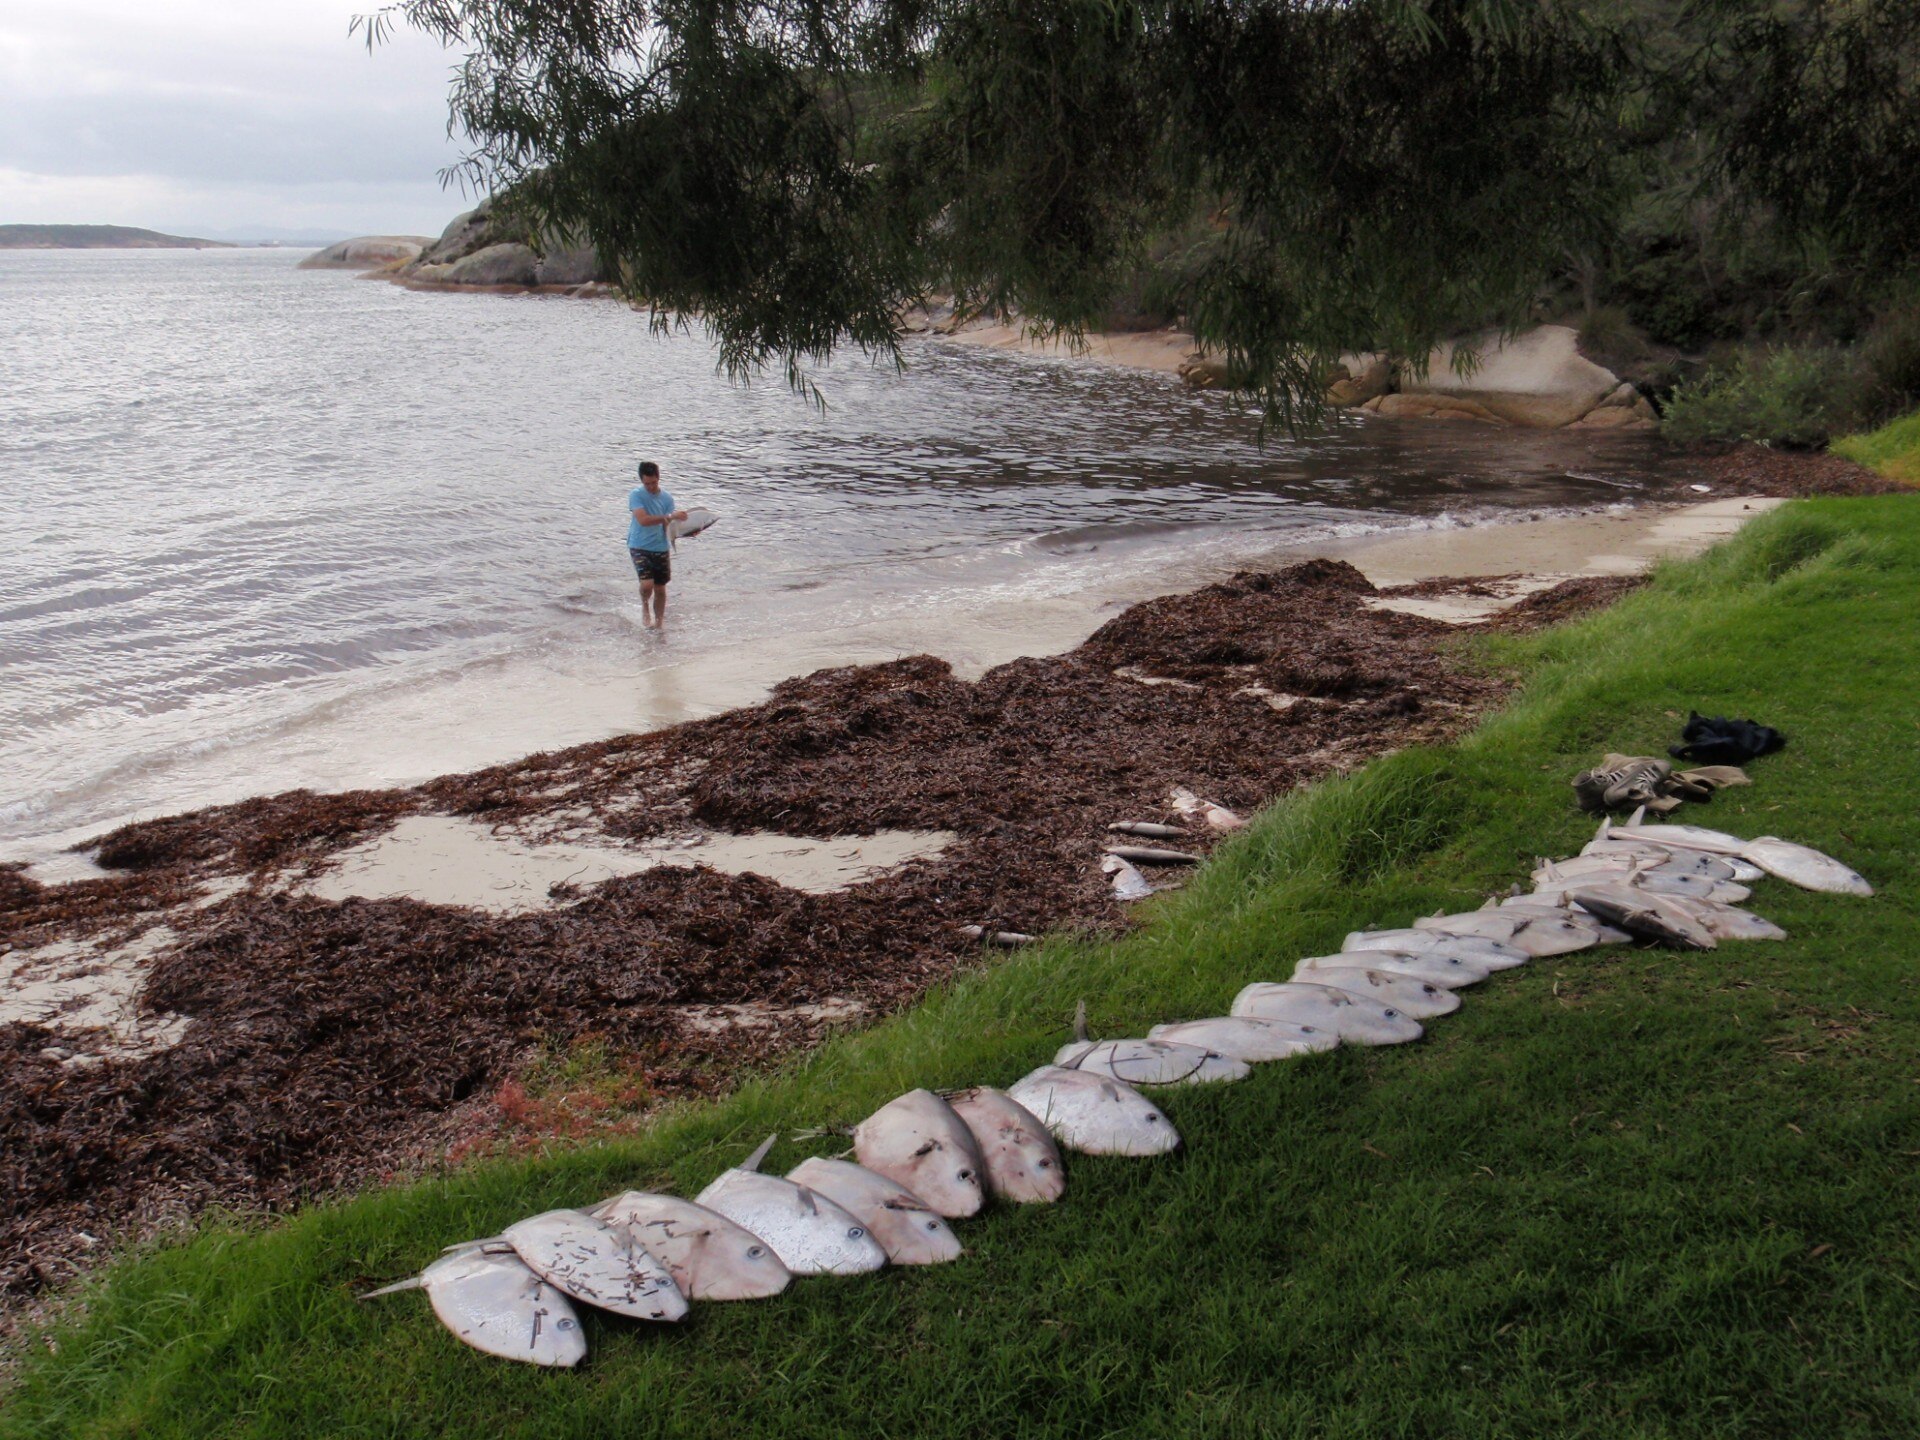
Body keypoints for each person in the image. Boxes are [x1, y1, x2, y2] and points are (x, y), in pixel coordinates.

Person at [627, 460, 687, 629]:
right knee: (647, 585)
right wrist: (668, 516)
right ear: (641, 481)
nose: (651, 487)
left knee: (660, 588)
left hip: (660, 546)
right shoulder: (636, 495)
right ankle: (645, 606)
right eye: (647, 484)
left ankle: (659, 623)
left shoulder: (667, 498)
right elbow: (643, 520)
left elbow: (669, 527)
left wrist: (687, 530)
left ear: (658, 478)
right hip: (639, 545)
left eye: (654, 483)